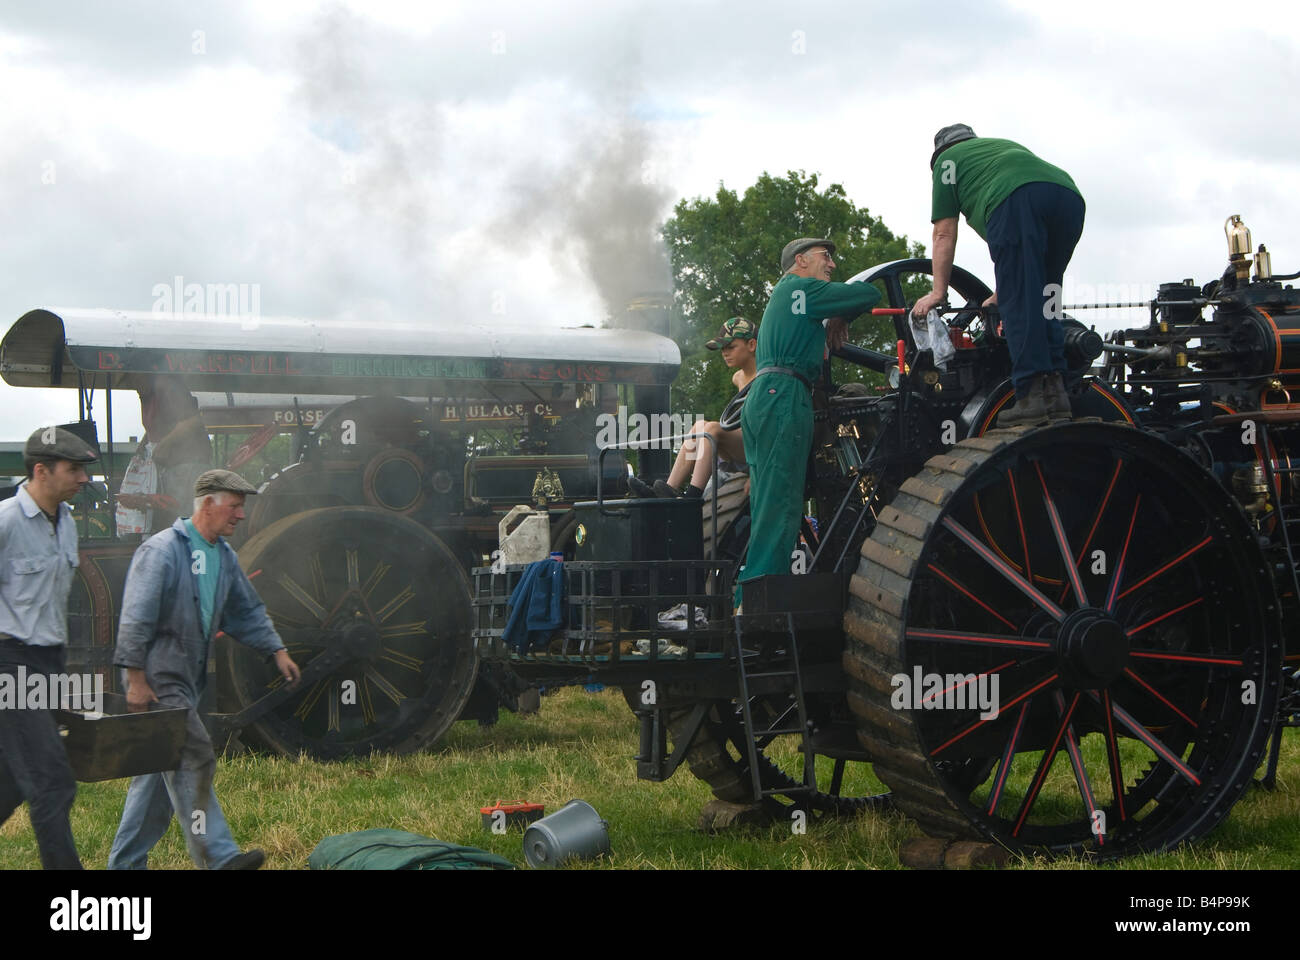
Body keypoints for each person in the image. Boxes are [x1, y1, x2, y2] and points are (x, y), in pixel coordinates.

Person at [108, 469, 300, 870]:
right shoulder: (161, 551)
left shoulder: (223, 556)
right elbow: (136, 619)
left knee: (155, 787)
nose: (241, 515)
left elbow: (245, 611)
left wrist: (277, 650)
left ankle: (123, 867)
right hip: (158, 679)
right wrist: (137, 680)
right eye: (235, 504)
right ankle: (221, 859)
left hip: (185, 679)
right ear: (208, 503)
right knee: (194, 755)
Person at [736, 238, 881, 607]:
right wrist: (840, 314)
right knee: (782, 503)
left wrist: (831, 317)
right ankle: (759, 605)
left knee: (769, 502)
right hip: (784, 397)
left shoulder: (786, 297)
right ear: (800, 260)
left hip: (764, 398)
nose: (831, 265)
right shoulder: (802, 288)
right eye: (825, 257)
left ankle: (746, 596)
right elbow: (868, 293)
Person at [912, 124, 1085, 426]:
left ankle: (1031, 397)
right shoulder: (998, 148)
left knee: (1020, 302)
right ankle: (1056, 395)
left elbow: (943, 232)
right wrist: (1002, 290)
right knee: (1047, 294)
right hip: (1068, 196)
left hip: (1018, 197)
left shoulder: (947, 162)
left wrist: (938, 291)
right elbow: (1025, 262)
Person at [0, 426, 99, 869]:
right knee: (51, 781)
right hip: (10, 663)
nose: (82, 478)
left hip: (47, 662)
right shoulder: (5, 522)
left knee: (15, 778)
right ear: (41, 470)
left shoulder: (67, 524)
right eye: (73, 469)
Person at [629, 317, 758, 499]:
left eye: (731, 347)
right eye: (722, 349)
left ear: (751, 345)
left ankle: (693, 496)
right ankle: (667, 491)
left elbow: (771, 427)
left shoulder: (767, 377)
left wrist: (757, 472)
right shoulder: (738, 377)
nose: (724, 353)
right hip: (742, 445)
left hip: (758, 450)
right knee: (699, 426)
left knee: (712, 429)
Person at [115, 377, 212, 536]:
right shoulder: (146, 395)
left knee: (179, 520)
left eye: (134, 382)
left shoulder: (167, 385)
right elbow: (156, 428)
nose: (134, 387)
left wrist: (165, 444)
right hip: (168, 468)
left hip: (187, 467)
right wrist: (141, 449)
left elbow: (193, 421)